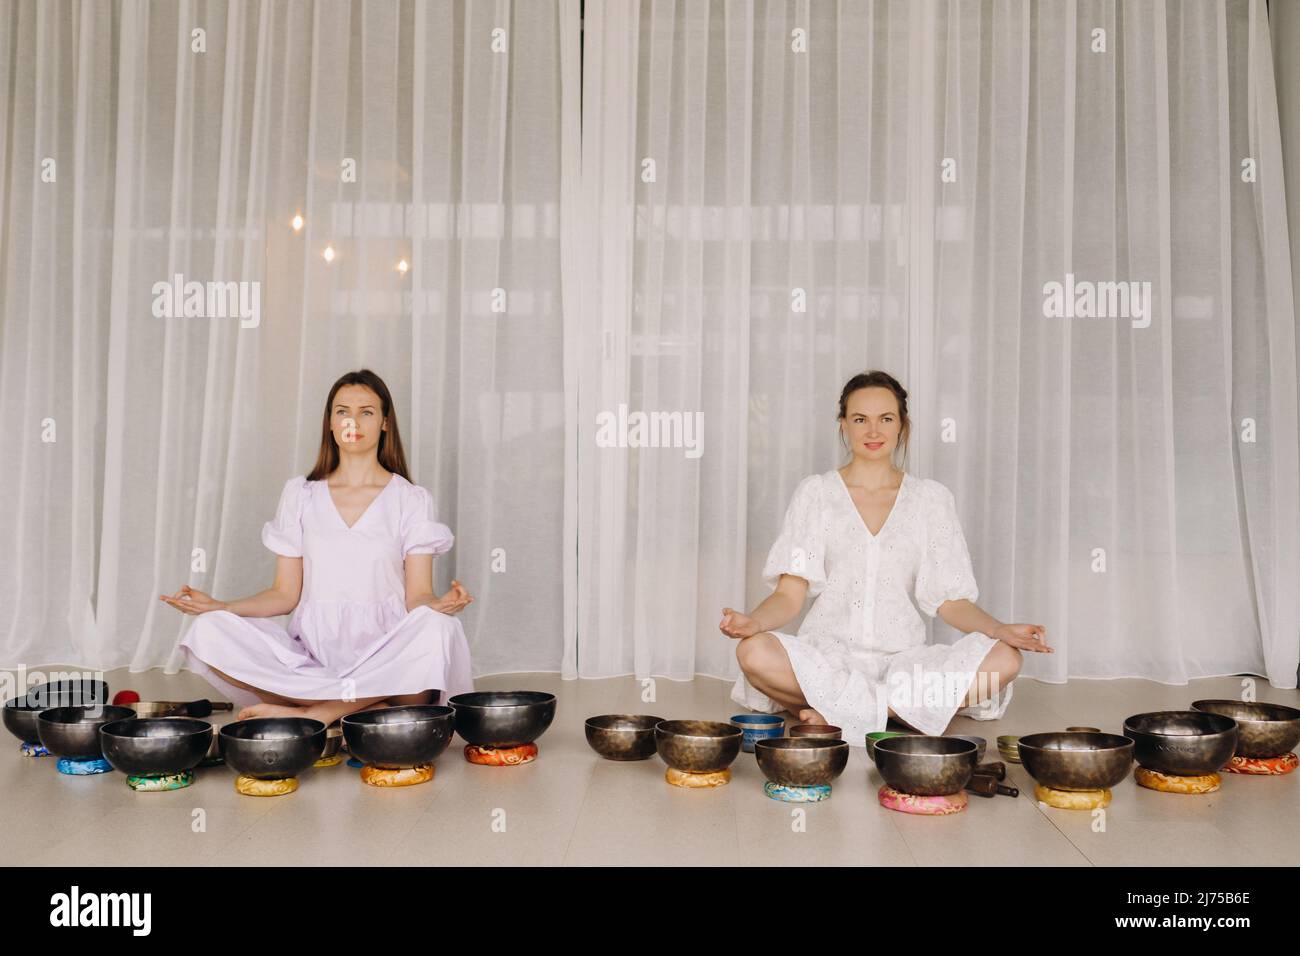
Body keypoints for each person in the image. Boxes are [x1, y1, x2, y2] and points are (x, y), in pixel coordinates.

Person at [721, 370, 1051, 743]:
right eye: (860, 419)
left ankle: (843, 711)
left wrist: (999, 630)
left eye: (886, 419)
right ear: (843, 424)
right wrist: (754, 622)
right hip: (828, 659)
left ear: (902, 426)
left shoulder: (930, 500)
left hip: (903, 662)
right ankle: (901, 712)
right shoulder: (816, 494)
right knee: (753, 653)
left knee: (1005, 660)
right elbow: (789, 594)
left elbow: (950, 601)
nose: (873, 431)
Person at [163, 369, 474, 724]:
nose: (352, 421)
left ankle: (318, 713)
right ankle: (363, 707)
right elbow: (284, 594)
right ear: (329, 422)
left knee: (439, 627)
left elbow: (417, 596)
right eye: (342, 411)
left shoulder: (411, 499)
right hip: (315, 657)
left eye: (366, 412)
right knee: (209, 629)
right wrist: (222, 606)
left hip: (387, 658)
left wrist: (440, 605)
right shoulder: (300, 494)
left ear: (385, 423)